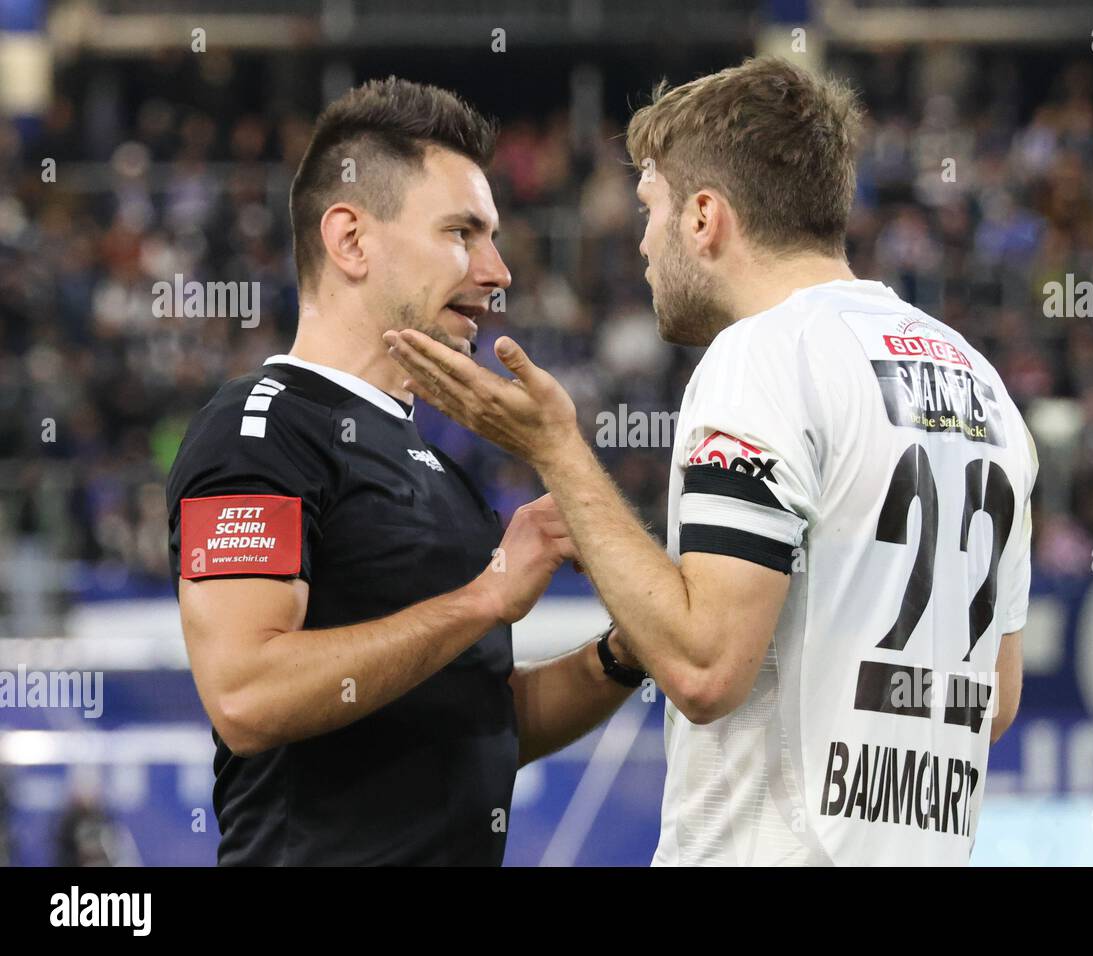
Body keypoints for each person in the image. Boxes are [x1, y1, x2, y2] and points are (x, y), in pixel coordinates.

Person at [386, 56, 1038, 865]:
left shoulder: (761, 356)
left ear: (704, 217)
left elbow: (704, 668)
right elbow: (997, 699)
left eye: (649, 208)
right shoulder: (980, 382)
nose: (643, 243)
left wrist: (553, 448)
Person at [166, 77, 638, 866]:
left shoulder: (436, 462)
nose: (498, 270)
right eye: (462, 233)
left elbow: (480, 724)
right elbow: (246, 694)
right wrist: (486, 597)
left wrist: (630, 649)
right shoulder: (259, 431)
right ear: (350, 239)